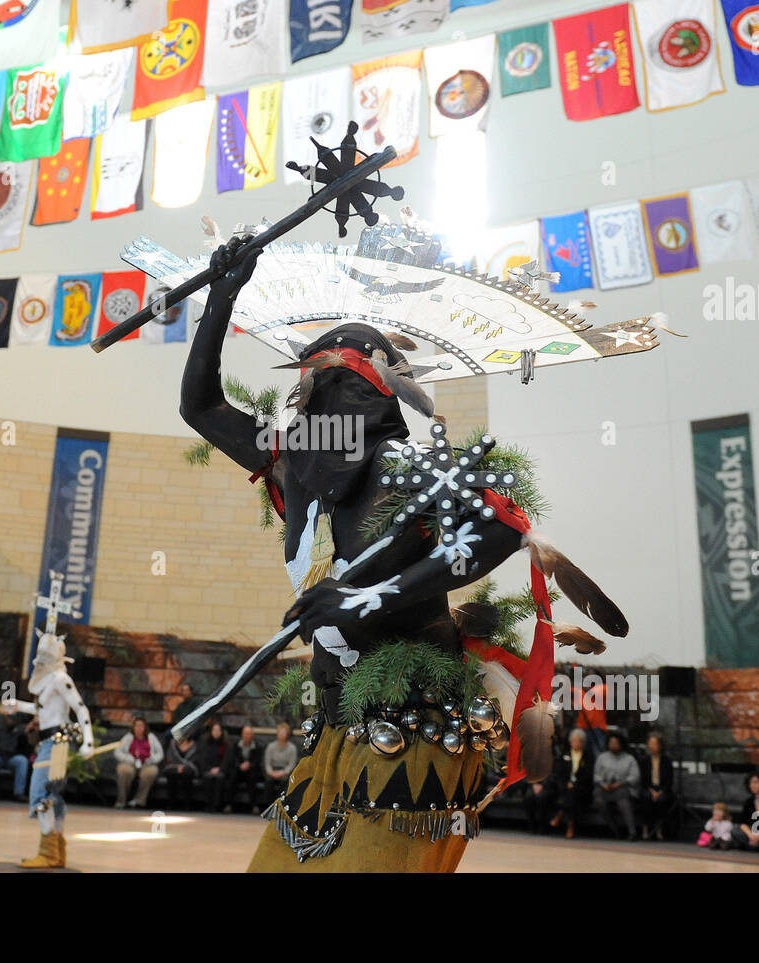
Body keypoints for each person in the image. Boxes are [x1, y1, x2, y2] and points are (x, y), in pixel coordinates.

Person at [182, 235, 630, 872]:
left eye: (342, 384)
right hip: (334, 726)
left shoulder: (402, 467)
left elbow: (503, 524)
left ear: (379, 394)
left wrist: (366, 597)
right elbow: (198, 405)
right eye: (315, 384)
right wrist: (221, 296)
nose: (324, 398)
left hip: (414, 732)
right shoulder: (288, 466)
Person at [4, 630, 96, 869]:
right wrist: (19, 706)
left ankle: (48, 852)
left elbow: (81, 709)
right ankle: (56, 852)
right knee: (53, 795)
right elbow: (46, 711)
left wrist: (89, 741)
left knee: (40, 792)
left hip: (56, 745)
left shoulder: (60, 678)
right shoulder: (50, 680)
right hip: (50, 743)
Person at [543, 729, 594, 839]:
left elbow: (588, 775)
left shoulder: (588, 756)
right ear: (570, 742)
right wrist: (567, 784)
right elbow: (559, 773)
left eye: (579, 741)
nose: (576, 743)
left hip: (581, 788)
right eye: (574, 741)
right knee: (570, 795)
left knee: (572, 793)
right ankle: (570, 826)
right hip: (564, 788)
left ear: (583, 743)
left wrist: (574, 784)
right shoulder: (564, 754)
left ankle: (560, 816)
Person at [595, 732, 641, 841]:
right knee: (598, 799)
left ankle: (632, 831)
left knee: (623, 801)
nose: (613, 745)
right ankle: (614, 829)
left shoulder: (629, 759)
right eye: (611, 743)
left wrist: (620, 783)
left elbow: (635, 777)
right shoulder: (602, 758)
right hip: (605, 788)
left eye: (616, 743)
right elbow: (596, 776)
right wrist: (603, 784)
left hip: (623, 788)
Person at [113, 717, 163, 809]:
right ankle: (121, 801)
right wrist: (127, 758)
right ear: (133, 727)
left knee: (151, 772)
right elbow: (117, 752)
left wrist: (152, 759)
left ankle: (139, 801)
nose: (139, 728)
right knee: (124, 771)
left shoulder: (151, 737)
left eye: (141, 726)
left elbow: (160, 753)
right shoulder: (128, 737)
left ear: (145, 727)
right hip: (130, 763)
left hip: (146, 764)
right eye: (136, 726)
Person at [639, 732, 677, 840]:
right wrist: (651, 791)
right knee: (646, 799)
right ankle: (645, 830)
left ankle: (659, 830)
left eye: (654, 743)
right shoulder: (644, 760)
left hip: (662, 789)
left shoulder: (667, 761)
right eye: (650, 743)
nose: (652, 746)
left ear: (660, 745)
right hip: (648, 788)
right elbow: (642, 780)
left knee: (662, 801)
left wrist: (660, 791)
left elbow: (669, 781)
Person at [226, 725, 263, 814]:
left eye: (249, 734)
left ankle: (254, 806)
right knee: (232, 776)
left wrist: (249, 764)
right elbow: (232, 759)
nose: (247, 736)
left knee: (252, 777)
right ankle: (229, 805)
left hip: (251, 770)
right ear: (242, 735)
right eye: (246, 734)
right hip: (238, 769)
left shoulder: (257, 746)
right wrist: (240, 765)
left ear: (252, 735)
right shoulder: (236, 745)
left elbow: (258, 761)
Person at [262, 723, 298, 809]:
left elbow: (291, 765)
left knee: (285, 781)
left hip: (285, 771)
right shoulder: (271, 746)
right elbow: (267, 763)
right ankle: (268, 806)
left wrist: (282, 773)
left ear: (287, 734)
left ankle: (282, 807)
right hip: (272, 770)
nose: (281, 734)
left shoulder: (292, 748)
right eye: (280, 732)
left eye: (283, 732)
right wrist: (271, 772)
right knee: (268, 781)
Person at [198, 722, 230, 813]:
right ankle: (208, 805)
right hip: (208, 769)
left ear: (221, 732)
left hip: (221, 769)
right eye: (214, 730)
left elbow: (227, 760)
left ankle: (217, 806)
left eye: (218, 730)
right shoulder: (205, 743)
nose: (216, 732)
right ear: (211, 732)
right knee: (207, 777)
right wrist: (209, 769)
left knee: (220, 778)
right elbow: (202, 759)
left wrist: (219, 769)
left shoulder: (226, 744)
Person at [163, 734, 200, 810]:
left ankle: (187, 804)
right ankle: (171, 804)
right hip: (174, 766)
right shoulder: (173, 743)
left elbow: (195, 759)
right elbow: (169, 758)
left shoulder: (193, 744)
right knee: (171, 774)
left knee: (187, 774)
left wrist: (184, 766)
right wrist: (178, 766)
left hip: (189, 767)